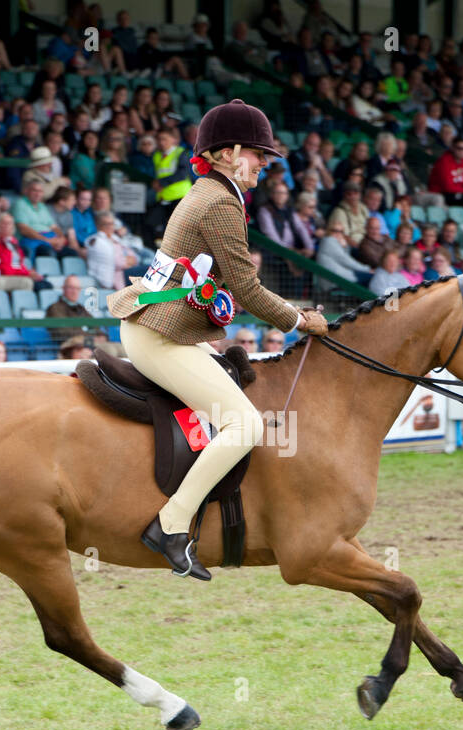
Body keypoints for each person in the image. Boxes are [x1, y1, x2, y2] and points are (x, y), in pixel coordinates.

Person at [107, 99, 326, 580]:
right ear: (228, 153)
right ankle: (171, 524)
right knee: (246, 425)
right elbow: (246, 289)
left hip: (166, 325)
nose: (265, 166)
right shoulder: (221, 201)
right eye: (259, 155)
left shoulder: (206, 191)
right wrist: (299, 319)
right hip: (161, 334)